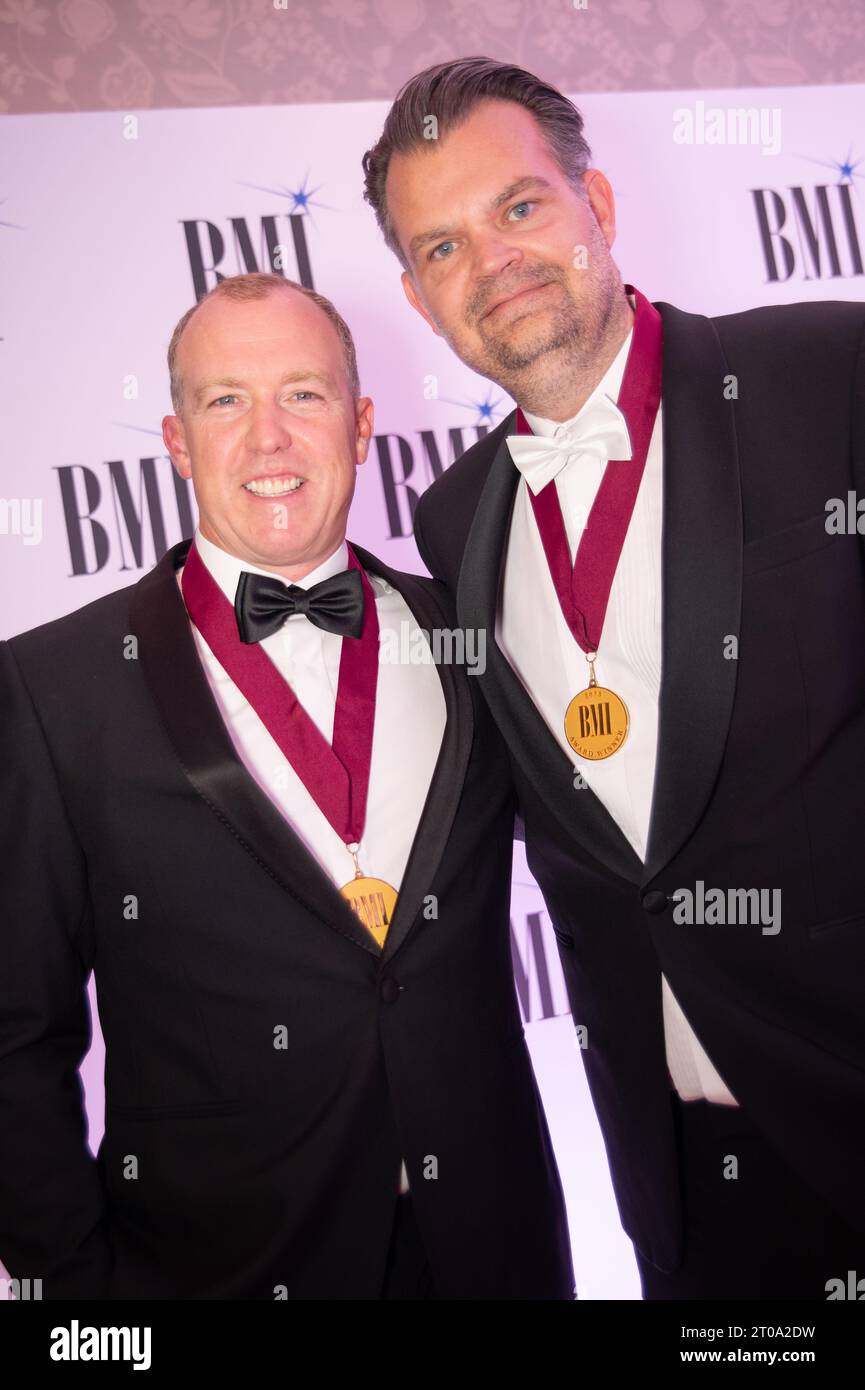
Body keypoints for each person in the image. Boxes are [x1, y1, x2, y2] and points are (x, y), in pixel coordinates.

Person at [362, 56, 865, 1299]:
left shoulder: (829, 373)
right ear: (419, 298)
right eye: (440, 247)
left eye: (519, 207)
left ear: (599, 203)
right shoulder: (450, 519)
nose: (492, 263)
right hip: (686, 1169)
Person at [0, 271, 574, 1300]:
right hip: (216, 1272)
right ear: (177, 441)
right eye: (226, 400)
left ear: (359, 427)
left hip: (496, 1253)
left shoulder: (474, 636)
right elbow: (12, 1033)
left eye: (303, 395)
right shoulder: (51, 691)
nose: (268, 437)